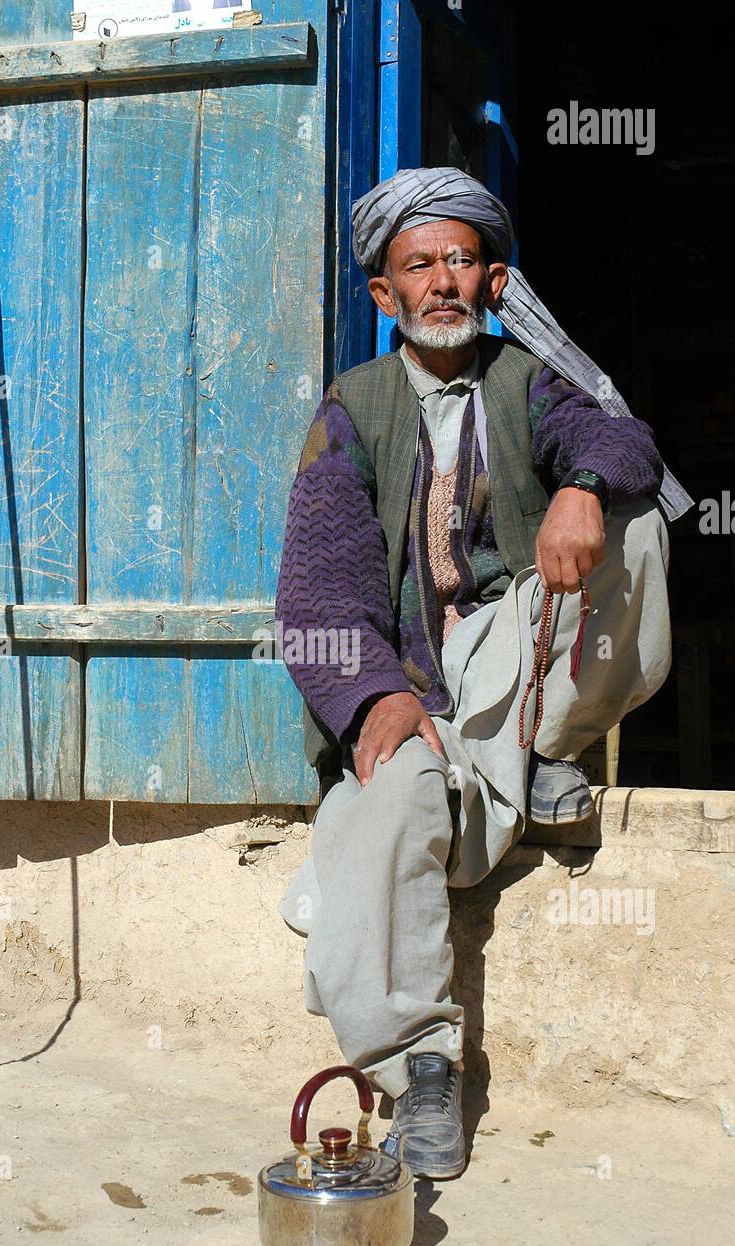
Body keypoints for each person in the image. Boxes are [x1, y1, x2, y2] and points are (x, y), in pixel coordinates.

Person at [274, 166, 692, 1179]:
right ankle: (420, 1066)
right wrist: (373, 697)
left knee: (637, 522)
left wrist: (581, 485)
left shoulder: (527, 381)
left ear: (492, 281)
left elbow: (620, 438)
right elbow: (319, 589)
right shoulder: (353, 407)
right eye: (419, 266)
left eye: (461, 260)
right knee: (389, 801)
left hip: (519, 664)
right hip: (414, 691)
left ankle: (547, 751)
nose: (442, 282)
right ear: (386, 293)